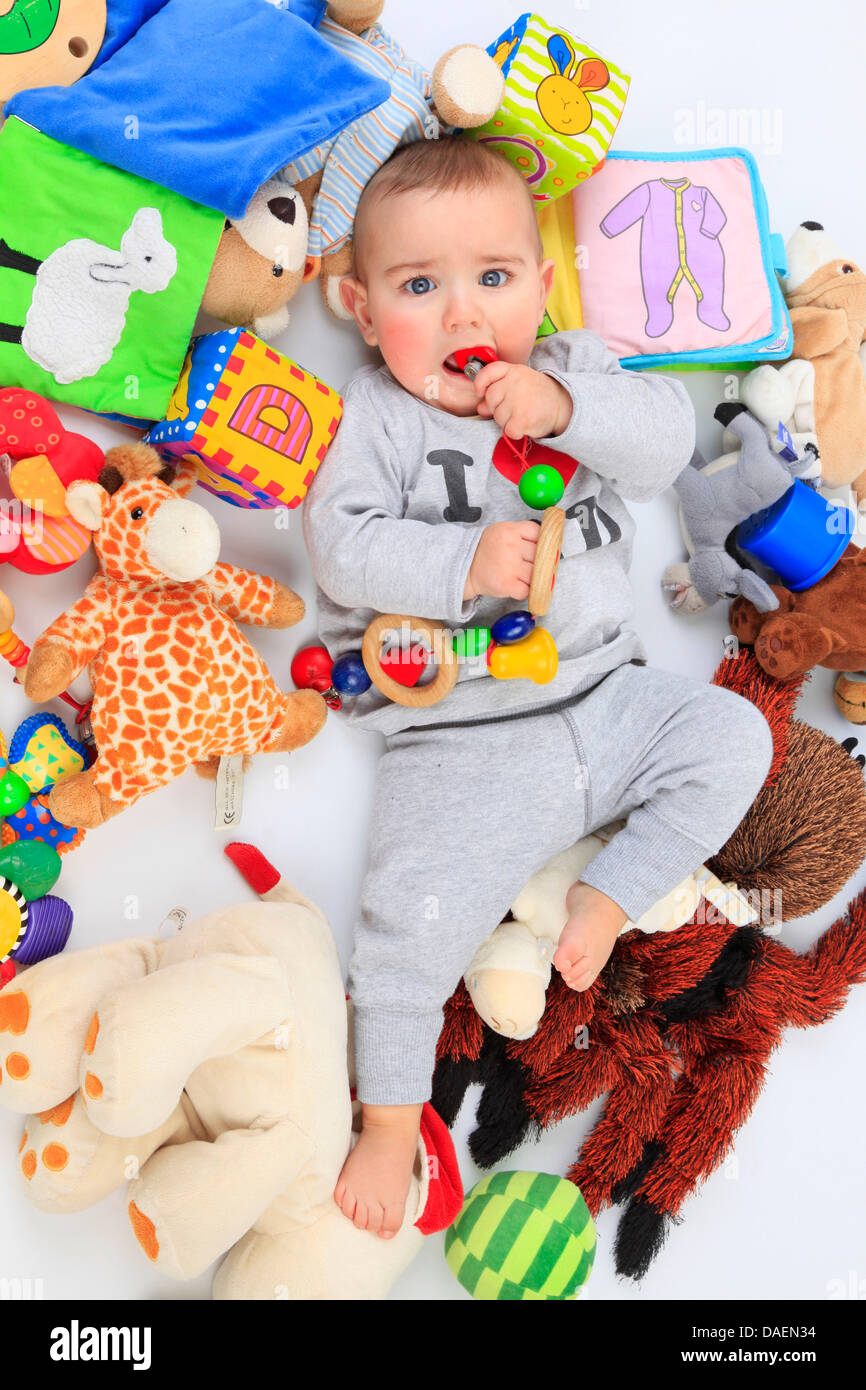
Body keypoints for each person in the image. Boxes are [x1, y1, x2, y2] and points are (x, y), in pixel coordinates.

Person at [302, 136, 773, 1240]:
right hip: (462, 740)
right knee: (405, 920)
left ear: (543, 289)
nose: (464, 315)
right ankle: (386, 1116)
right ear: (361, 310)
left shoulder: (574, 368)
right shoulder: (377, 414)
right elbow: (338, 548)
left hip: (609, 696)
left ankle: (609, 893)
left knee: (731, 739)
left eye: (492, 279)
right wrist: (459, 567)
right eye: (420, 287)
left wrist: (560, 405)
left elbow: (661, 446)